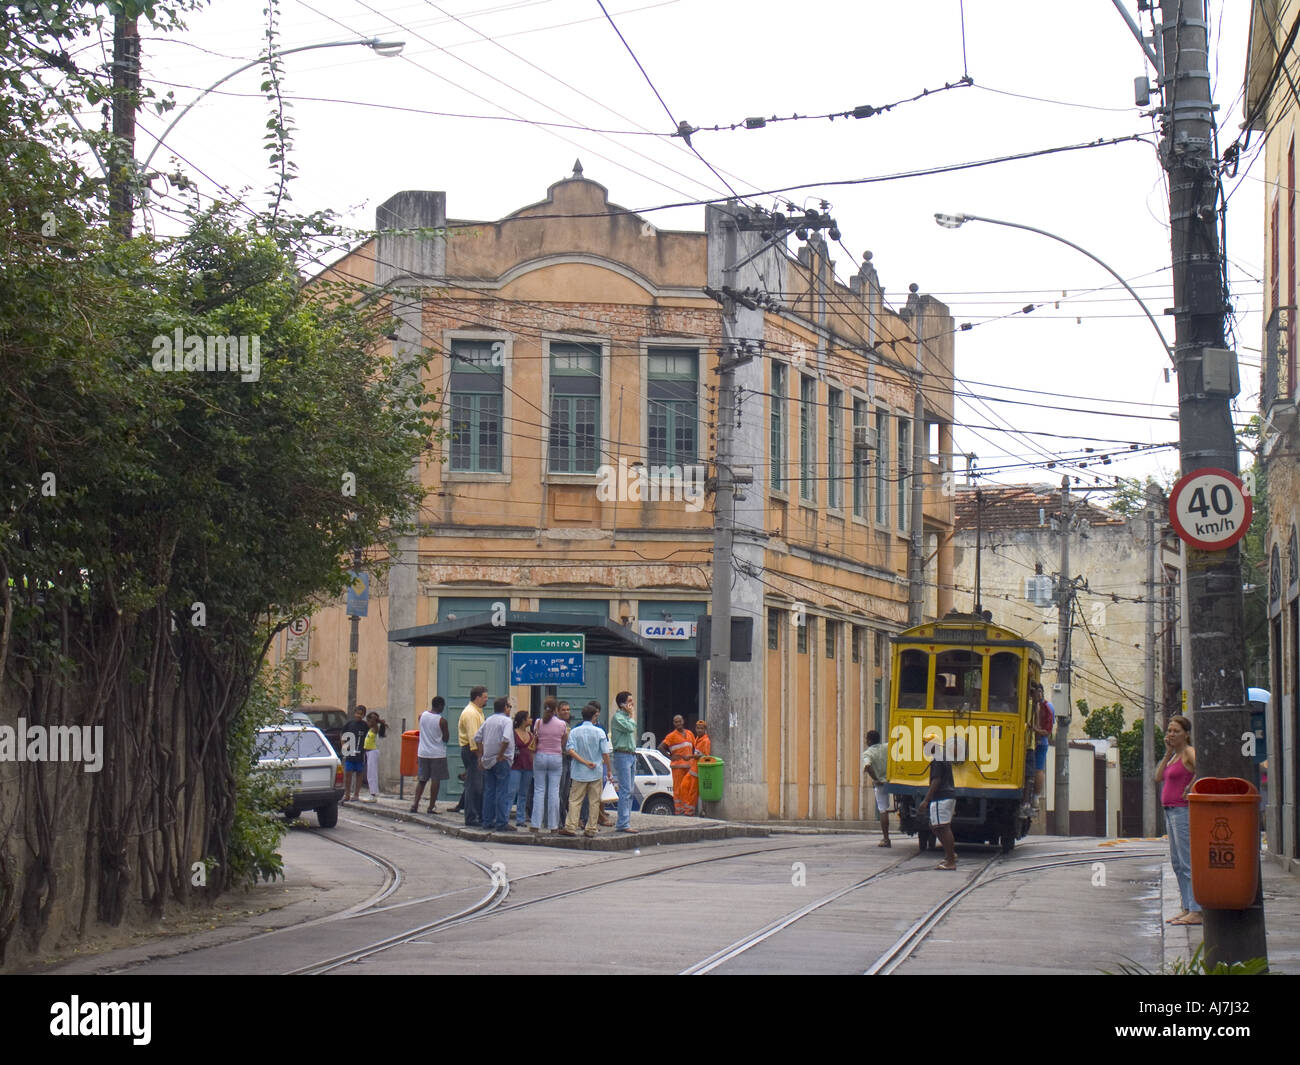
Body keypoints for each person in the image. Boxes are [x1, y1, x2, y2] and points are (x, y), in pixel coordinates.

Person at [1156, 715, 1201, 926]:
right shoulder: (1174, 756)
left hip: (1183, 811)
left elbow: (1203, 769)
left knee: (1187, 861)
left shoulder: (1189, 753)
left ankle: (1196, 909)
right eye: (1169, 731)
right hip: (1170, 811)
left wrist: (1191, 786)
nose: (1171, 734)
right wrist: (1167, 752)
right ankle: (1186, 906)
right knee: (1177, 863)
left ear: (1186, 734)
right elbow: (1157, 776)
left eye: (1176, 731)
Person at [560, 704, 612, 838]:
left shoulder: (575, 732)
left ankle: (571, 826)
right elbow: (605, 753)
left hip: (579, 772)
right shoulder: (600, 732)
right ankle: (591, 828)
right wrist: (609, 770)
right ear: (594, 716)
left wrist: (583, 761)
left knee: (575, 800)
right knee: (594, 801)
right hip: (596, 771)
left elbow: (570, 750)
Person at [476, 696, 517, 832]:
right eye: (509, 706)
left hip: (488, 760)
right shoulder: (506, 721)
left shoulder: (488, 720)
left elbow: (477, 737)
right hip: (501, 760)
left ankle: (487, 820)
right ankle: (501, 822)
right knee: (502, 791)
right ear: (505, 707)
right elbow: (506, 739)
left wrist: (481, 756)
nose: (510, 709)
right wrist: (500, 754)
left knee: (489, 791)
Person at [920, 733, 958, 870]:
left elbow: (936, 780)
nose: (924, 746)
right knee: (936, 826)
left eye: (925, 744)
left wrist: (926, 800)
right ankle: (949, 856)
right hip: (947, 796)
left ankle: (951, 860)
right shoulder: (943, 758)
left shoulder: (937, 759)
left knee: (942, 827)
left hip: (941, 797)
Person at [531, 697, 567, 832]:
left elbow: (536, 737)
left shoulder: (538, 722)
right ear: (556, 710)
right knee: (554, 791)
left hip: (540, 756)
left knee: (539, 790)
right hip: (556, 757)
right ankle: (553, 825)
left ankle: (535, 824)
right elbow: (563, 740)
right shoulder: (562, 724)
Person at [410, 696, 450, 814]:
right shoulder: (442, 721)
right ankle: (431, 806)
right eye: (443, 706)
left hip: (423, 752)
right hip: (437, 754)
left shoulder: (421, 716)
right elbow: (446, 738)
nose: (443, 708)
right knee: (435, 780)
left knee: (422, 779)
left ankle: (415, 805)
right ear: (440, 705)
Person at [458, 686, 489, 827]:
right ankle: (471, 817)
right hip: (471, 751)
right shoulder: (471, 713)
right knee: (474, 785)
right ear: (477, 697)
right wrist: (479, 756)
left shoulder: (478, 712)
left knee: (477, 784)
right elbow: (473, 737)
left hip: (474, 750)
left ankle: (477, 815)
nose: (486, 699)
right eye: (484, 697)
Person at [610, 692, 638, 833]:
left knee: (630, 791)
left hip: (631, 755)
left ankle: (626, 821)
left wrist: (630, 715)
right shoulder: (618, 718)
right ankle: (622, 823)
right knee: (625, 790)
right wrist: (631, 715)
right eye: (629, 701)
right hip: (622, 755)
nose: (632, 704)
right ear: (622, 704)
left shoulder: (626, 717)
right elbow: (630, 727)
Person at [659, 715, 696, 816]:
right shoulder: (671, 736)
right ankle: (679, 811)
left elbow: (694, 748)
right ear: (674, 723)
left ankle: (688, 810)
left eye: (679, 721)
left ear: (683, 721)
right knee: (679, 789)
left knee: (689, 789)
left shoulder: (690, 734)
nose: (678, 723)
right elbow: (661, 747)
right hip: (678, 767)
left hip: (689, 767)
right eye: (676, 722)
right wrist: (670, 757)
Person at [862, 728, 891, 847]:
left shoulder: (868, 753)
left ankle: (886, 838)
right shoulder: (886, 747)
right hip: (892, 780)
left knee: (883, 809)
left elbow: (867, 766)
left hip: (881, 784)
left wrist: (876, 779)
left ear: (869, 741)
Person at [509, 709, 535, 828]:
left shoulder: (531, 735)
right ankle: (505, 815)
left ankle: (520, 818)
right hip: (515, 765)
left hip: (528, 766)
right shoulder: (513, 733)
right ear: (523, 720)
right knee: (511, 791)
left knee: (523, 793)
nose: (531, 720)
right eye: (528, 718)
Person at [1030, 682, 1054, 806]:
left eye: (1039, 692)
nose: (1037, 694)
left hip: (1040, 743)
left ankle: (1035, 797)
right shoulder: (1031, 705)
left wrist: (1034, 729)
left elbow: (1047, 731)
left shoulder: (1047, 707)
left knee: (1038, 769)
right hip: (1032, 742)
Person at [340, 706, 368, 803]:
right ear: (354, 713)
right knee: (348, 774)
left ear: (364, 715)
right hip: (350, 754)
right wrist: (344, 747)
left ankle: (356, 794)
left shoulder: (365, 726)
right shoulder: (349, 724)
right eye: (357, 713)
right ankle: (347, 794)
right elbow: (343, 736)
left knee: (359, 774)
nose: (358, 716)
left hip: (360, 754)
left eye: (361, 714)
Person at [361, 708, 388, 803]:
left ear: (372, 721)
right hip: (369, 752)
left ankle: (373, 794)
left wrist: (375, 720)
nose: (367, 722)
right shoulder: (371, 728)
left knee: (372, 774)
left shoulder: (374, 728)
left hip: (372, 752)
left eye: (369, 720)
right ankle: (372, 792)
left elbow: (372, 723)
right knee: (369, 773)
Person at [689, 719, 711, 816]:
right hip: (694, 770)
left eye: (701, 728)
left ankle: (690, 812)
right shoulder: (697, 739)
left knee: (694, 793)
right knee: (688, 790)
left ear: (705, 729)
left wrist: (694, 757)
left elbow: (706, 757)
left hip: (699, 771)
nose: (699, 730)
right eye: (698, 728)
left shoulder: (705, 741)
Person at [556, 701, 574, 814]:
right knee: (560, 789)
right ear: (558, 711)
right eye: (563, 710)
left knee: (566, 791)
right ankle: (559, 817)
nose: (566, 712)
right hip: (560, 757)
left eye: (568, 709)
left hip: (569, 759)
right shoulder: (557, 725)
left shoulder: (568, 725)